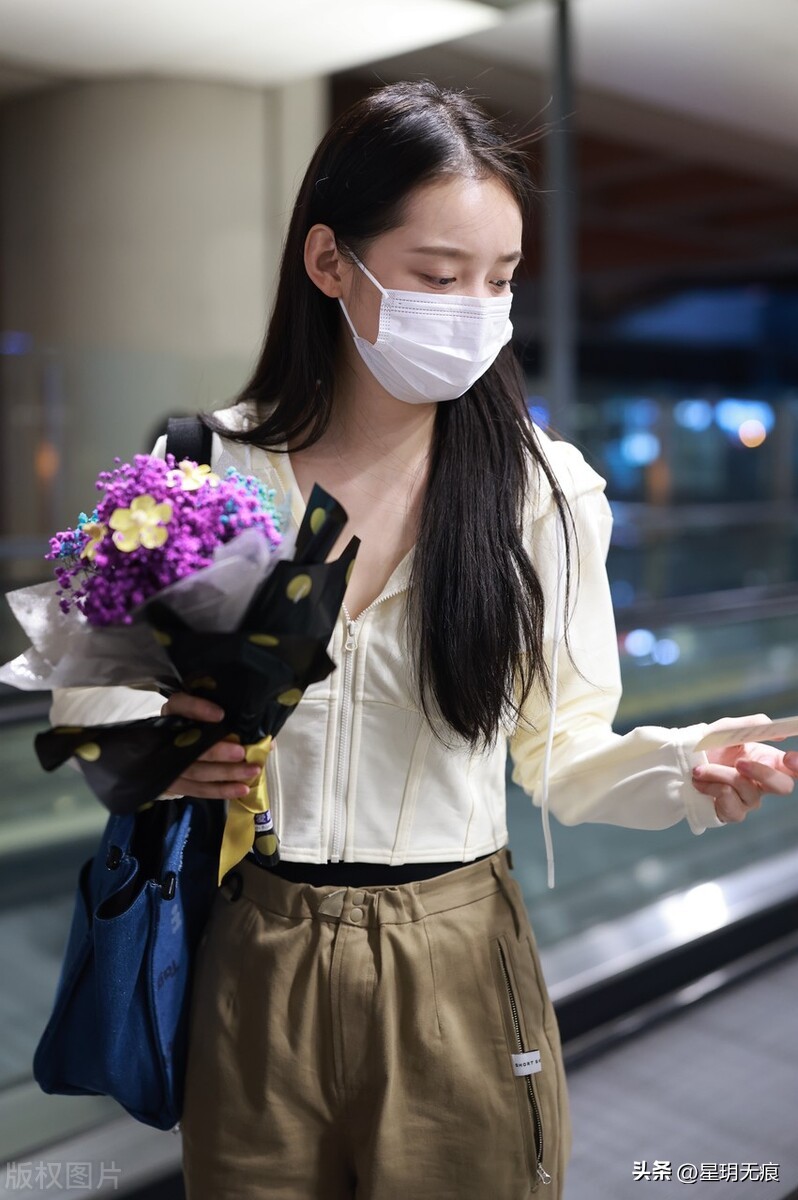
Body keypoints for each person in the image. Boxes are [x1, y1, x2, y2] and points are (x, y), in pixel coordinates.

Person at [51, 80, 798, 1200]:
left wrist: (684, 768)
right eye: (439, 277)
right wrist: (161, 751)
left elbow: (563, 753)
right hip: (257, 947)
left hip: (456, 954)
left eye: (499, 281)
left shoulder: (546, 499)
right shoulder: (200, 475)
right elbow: (87, 693)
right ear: (329, 262)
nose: (476, 311)